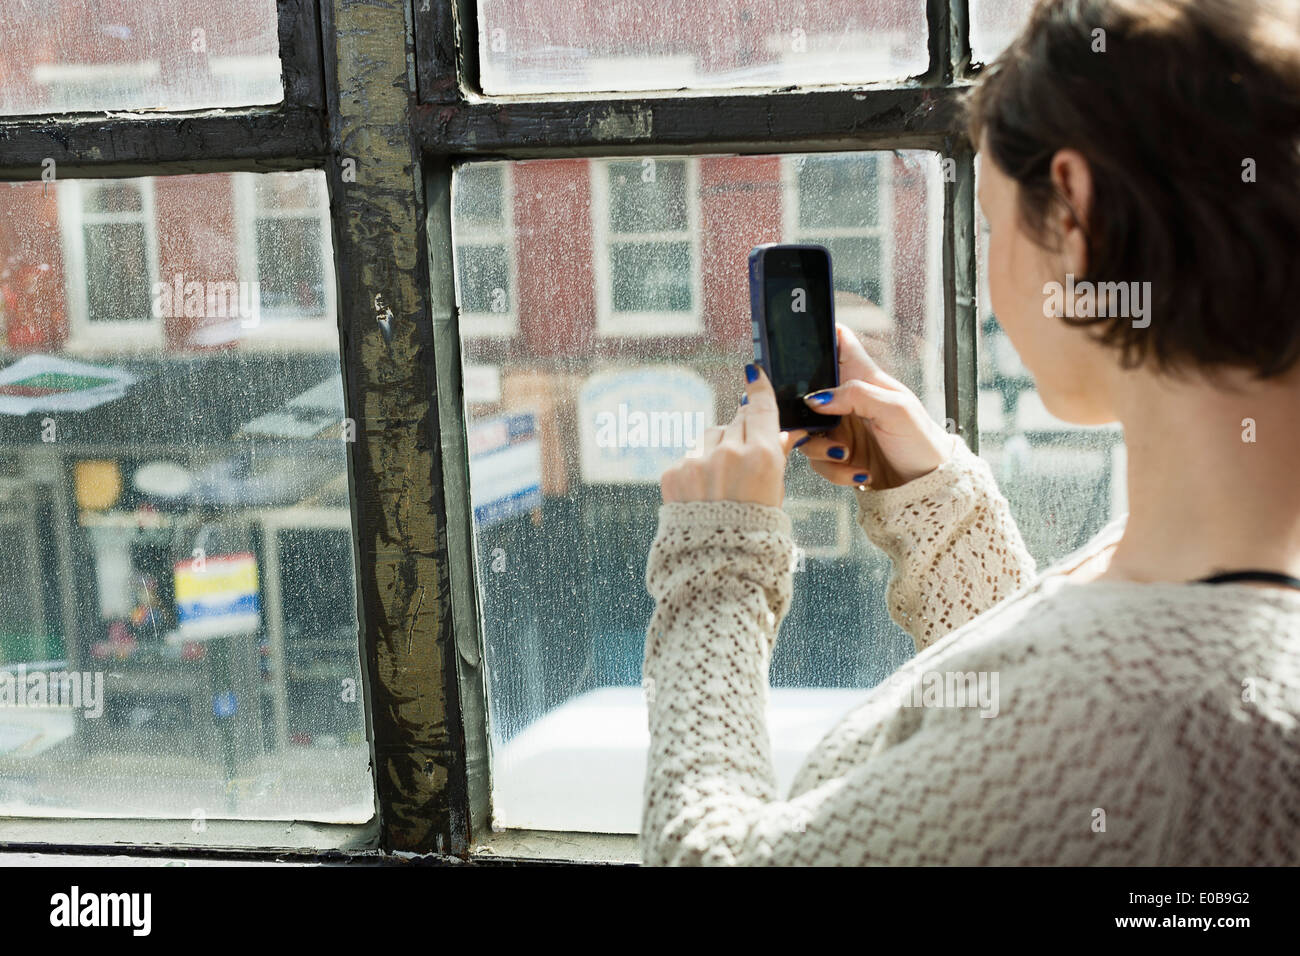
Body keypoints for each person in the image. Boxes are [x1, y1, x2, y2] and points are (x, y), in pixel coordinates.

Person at [640, 0, 1300, 866]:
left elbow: (710, 861)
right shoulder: (1204, 576)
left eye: (991, 221)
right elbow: (1041, 760)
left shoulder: (1136, 724)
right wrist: (940, 511)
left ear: (1074, 216)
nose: (992, 272)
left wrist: (716, 568)